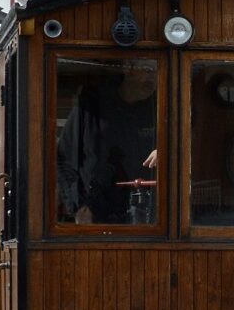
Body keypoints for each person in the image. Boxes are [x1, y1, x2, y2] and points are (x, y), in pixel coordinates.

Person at [55, 61, 159, 225]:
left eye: (157, 72)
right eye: (148, 70)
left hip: (150, 212)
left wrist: (165, 149)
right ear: (128, 69)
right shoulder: (91, 104)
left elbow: (186, 139)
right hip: (96, 212)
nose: (153, 78)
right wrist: (78, 206)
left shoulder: (162, 106)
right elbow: (64, 157)